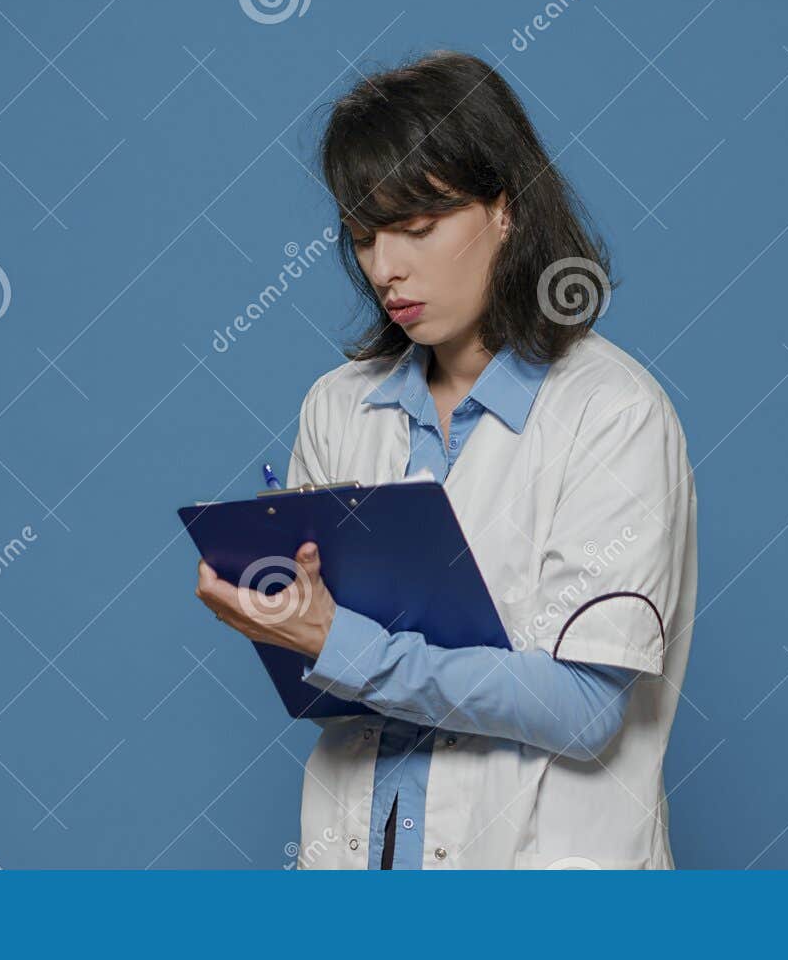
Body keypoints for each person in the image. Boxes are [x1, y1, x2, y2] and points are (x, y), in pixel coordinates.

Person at [194, 50, 697, 869]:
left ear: (507, 209)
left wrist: (342, 643)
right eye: (362, 235)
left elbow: (583, 710)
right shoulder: (337, 407)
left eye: (418, 229)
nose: (385, 268)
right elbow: (331, 695)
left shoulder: (613, 412)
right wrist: (283, 625)